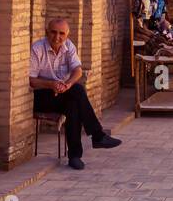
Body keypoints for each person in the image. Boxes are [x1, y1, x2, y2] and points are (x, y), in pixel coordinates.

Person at [29, 17, 120, 169]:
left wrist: (67, 84)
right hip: (41, 95)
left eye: (61, 34)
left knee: (73, 104)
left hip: (63, 92)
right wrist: (51, 84)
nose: (57, 37)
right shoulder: (37, 49)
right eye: (53, 32)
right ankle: (97, 136)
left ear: (67, 35)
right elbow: (31, 80)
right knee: (77, 91)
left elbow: (77, 70)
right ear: (46, 32)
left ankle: (75, 156)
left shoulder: (69, 46)